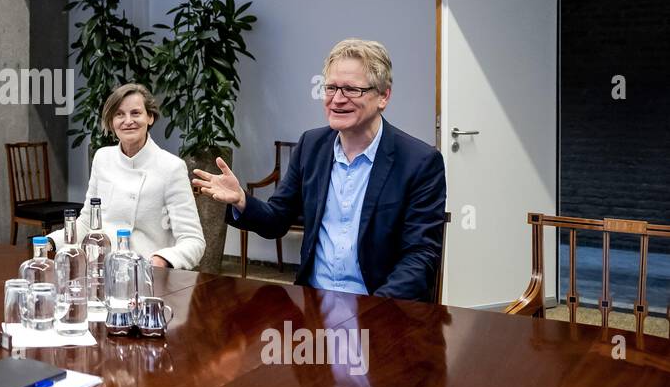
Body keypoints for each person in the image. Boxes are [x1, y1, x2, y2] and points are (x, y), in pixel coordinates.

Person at [193, 39, 446, 300]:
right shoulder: (312, 146)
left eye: (351, 90)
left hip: (382, 309)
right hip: (314, 307)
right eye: (331, 88)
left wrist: (373, 312)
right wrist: (242, 201)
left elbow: (420, 258)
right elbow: (277, 219)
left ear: (383, 96)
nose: (337, 99)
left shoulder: (420, 162)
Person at [55, 82, 205, 269]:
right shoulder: (102, 158)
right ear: (111, 122)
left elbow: (193, 240)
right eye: (119, 114)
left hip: (146, 274)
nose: (128, 121)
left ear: (150, 117)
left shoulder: (171, 167)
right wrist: (51, 243)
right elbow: (86, 222)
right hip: (100, 270)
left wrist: (162, 260)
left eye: (135, 113)